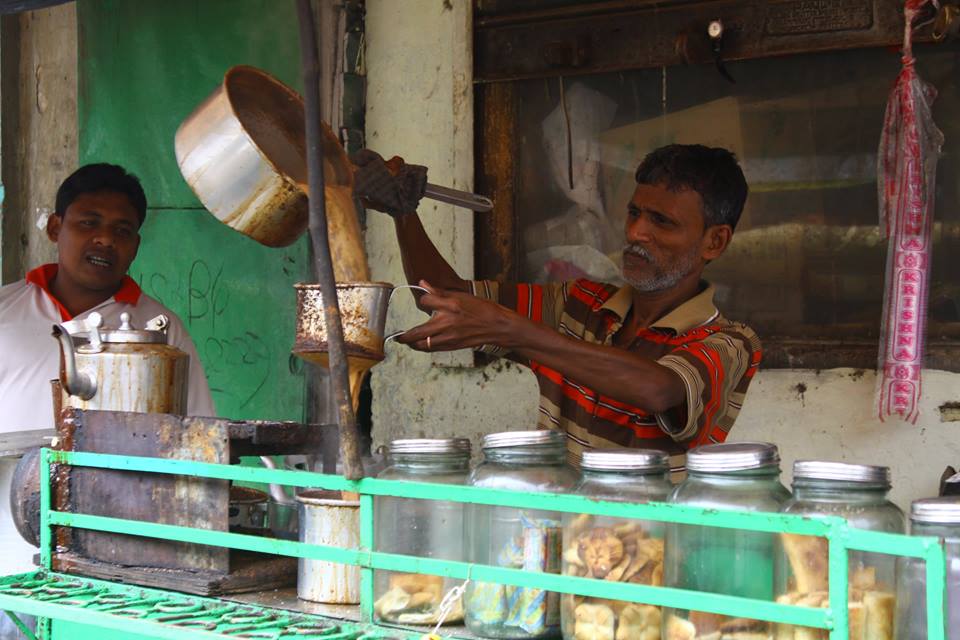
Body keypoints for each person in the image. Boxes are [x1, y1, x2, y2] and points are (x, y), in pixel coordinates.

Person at [353, 144, 761, 473]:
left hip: (646, 551)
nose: (637, 232)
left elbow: (658, 389)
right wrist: (404, 213)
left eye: (662, 222)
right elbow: (442, 297)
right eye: (634, 213)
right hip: (555, 533)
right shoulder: (580, 304)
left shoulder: (730, 342)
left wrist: (513, 331)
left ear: (715, 241)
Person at [0, 164, 215, 636]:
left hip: (114, 565)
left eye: (122, 230)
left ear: (136, 245)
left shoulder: (161, 330)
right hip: (6, 562)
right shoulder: (5, 312)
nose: (104, 240)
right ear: (57, 227)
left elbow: (196, 438)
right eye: (88, 223)